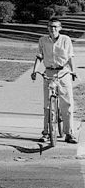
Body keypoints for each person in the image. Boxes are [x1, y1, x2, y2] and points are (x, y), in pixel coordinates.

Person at [31, 16, 77, 144]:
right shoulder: (43, 40)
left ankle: (69, 133)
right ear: (47, 28)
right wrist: (34, 70)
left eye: (55, 26)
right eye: (51, 26)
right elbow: (39, 56)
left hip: (63, 72)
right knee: (47, 105)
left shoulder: (65, 40)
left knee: (67, 104)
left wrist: (73, 71)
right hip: (49, 72)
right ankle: (46, 132)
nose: (53, 29)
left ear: (60, 28)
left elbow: (70, 57)